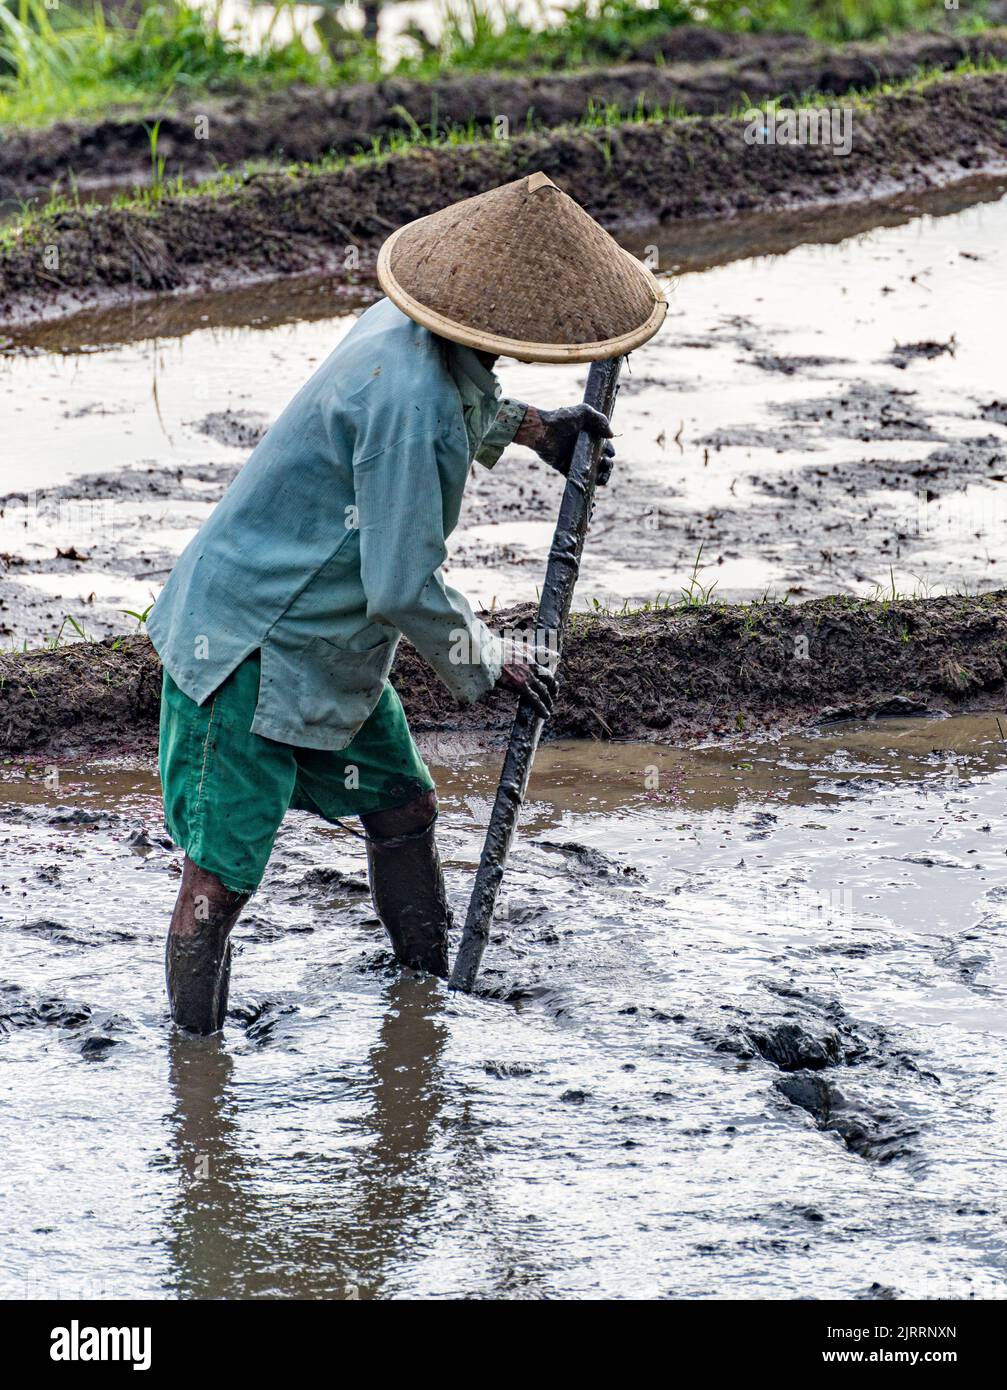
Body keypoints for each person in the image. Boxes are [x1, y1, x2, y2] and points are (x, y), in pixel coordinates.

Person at [147, 170, 666, 1032]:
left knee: (402, 807)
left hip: (325, 648)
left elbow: (467, 393)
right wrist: (488, 658)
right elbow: (398, 585)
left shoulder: (405, 326)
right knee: (222, 877)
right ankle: (194, 1070)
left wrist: (538, 430)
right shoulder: (413, 406)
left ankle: (423, 1004)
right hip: (246, 650)